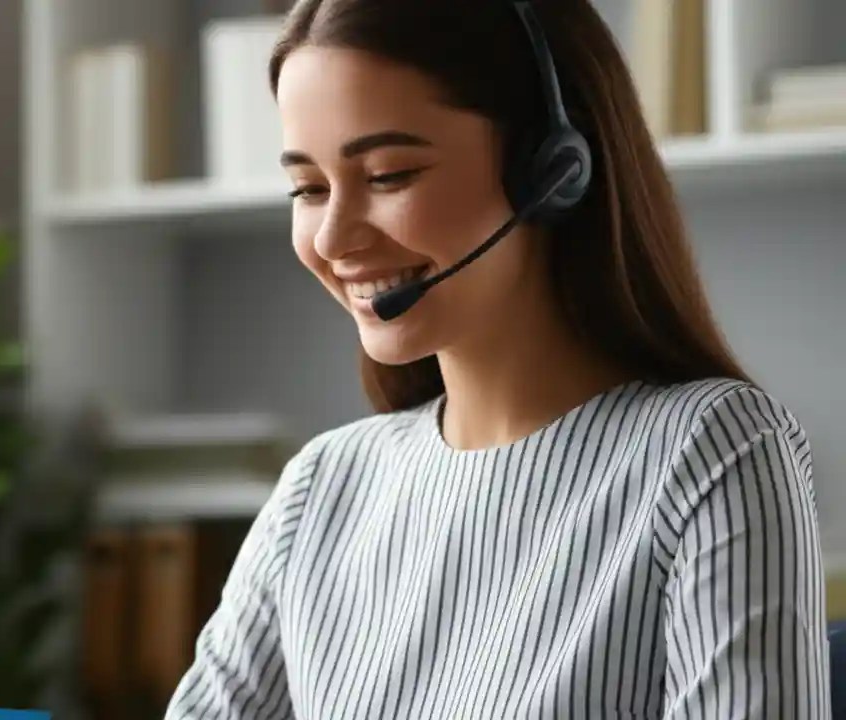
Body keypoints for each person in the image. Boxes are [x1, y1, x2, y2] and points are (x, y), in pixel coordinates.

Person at [164, 0, 831, 717]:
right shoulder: (319, 491)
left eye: (389, 174)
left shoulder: (713, 451)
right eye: (309, 188)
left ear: (553, 168)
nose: (332, 238)